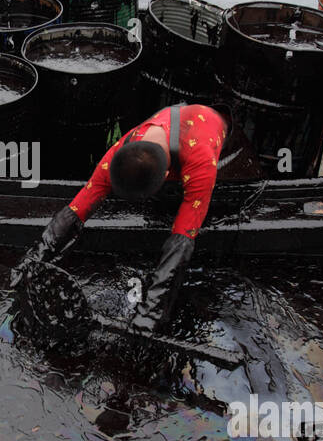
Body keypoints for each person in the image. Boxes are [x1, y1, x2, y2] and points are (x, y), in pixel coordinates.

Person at [14, 104, 228, 335]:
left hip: (212, 130)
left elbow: (184, 234)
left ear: (166, 176)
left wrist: (150, 313)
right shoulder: (123, 150)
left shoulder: (201, 164)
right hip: (175, 128)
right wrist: (32, 260)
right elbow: (81, 204)